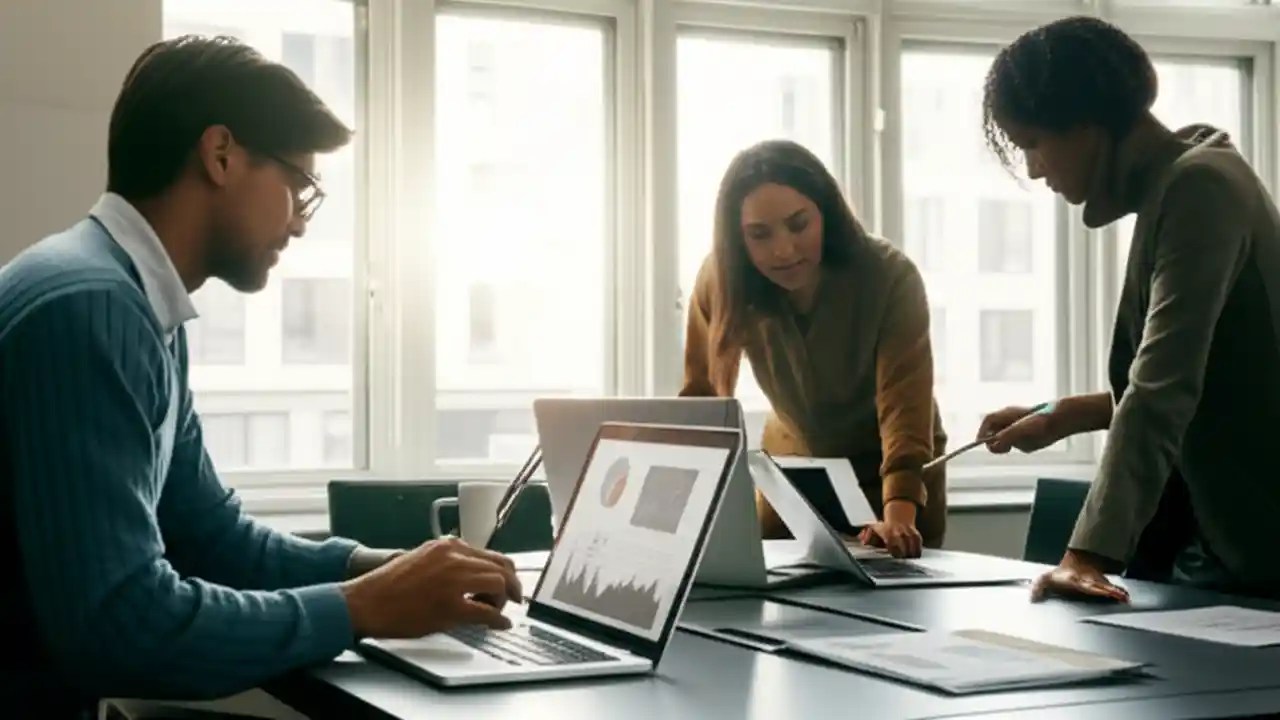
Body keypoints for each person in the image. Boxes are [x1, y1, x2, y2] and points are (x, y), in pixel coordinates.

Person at [0, 36, 522, 718]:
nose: (301, 225)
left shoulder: (135, 304)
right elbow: (119, 626)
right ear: (220, 155)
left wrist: (390, 568)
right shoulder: (91, 309)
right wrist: (365, 606)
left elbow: (211, 538)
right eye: (298, 187)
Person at [977, 16, 1280, 601]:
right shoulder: (1186, 174)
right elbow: (1220, 377)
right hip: (1225, 540)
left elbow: (1163, 388)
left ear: (1087, 126)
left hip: (1256, 544)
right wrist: (1069, 413)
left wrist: (1083, 557)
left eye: (1034, 143)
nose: (1036, 169)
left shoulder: (1200, 188)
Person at [681, 139, 947, 558]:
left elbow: (904, 407)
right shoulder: (721, 279)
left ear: (826, 212)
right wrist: (684, 513)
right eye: (759, 235)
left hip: (892, 481)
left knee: (893, 604)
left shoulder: (890, 275)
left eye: (799, 224)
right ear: (738, 238)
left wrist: (899, 515)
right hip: (791, 478)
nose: (783, 250)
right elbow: (702, 400)